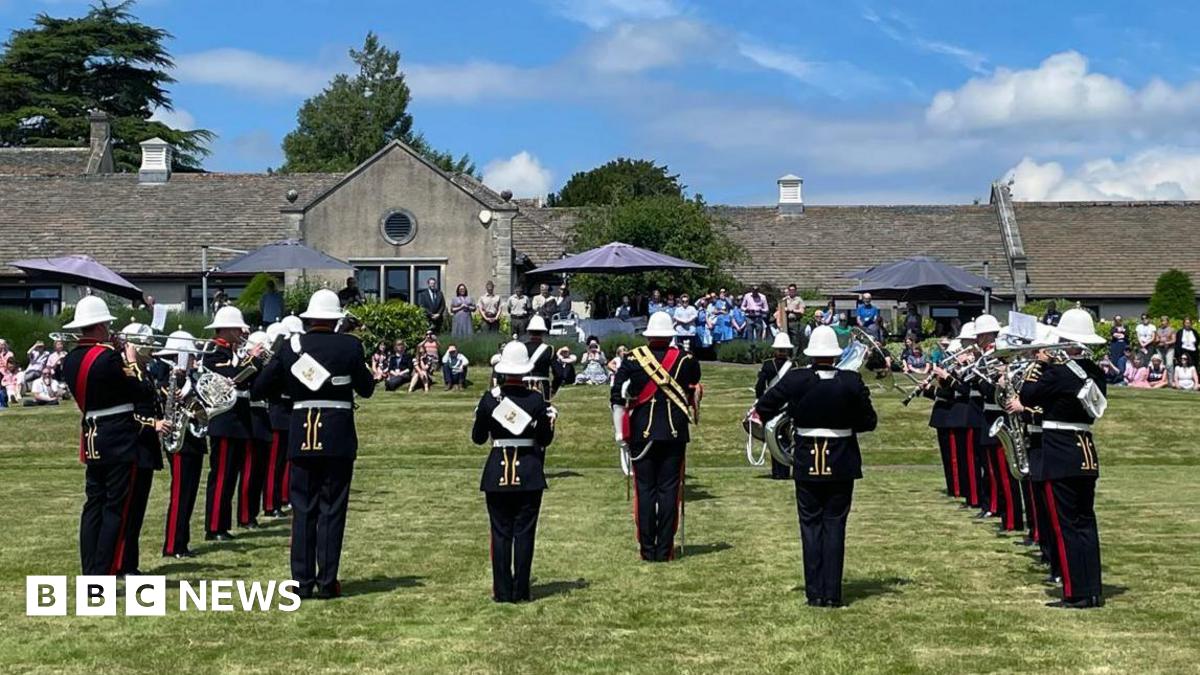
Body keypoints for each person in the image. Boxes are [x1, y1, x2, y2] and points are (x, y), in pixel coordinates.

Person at [252, 289, 374, 599]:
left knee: (302, 509)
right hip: (337, 435)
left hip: (301, 431)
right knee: (332, 509)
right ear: (336, 321)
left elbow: (261, 388)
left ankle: (301, 582)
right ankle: (327, 581)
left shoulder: (290, 346)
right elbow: (367, 388)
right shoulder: (350, 346)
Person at [755, 325, 877, 607]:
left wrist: (794, 412)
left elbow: (764, 407)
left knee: (809, 526)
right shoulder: (851, 381)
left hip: (807, 458)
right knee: (835, 525)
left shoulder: (797, 379)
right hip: (841, 459)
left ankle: (815, 593)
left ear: (811, 354)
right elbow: (868, 422)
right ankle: (832, 593)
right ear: (835, 355)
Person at [1008, 308, 1107, 608]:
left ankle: (1074, 591)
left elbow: (1026, 395)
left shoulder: (1058, 372)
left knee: (1065, 526)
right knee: (1085, 524)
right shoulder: (1096, 371)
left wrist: (1040, 364)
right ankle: (1092, 589)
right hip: (1085, 451)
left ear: (1068, 342)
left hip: (1059, 451)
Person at [60, 296, 161, 575]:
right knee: (116, 509)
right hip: (118, 436)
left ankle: (90, 569)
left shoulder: (71, 359)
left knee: (93, 505)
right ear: (102, 325)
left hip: (92, 435)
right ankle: (102, 572)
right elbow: (142, 391)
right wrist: (130, 360)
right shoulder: (108, 359)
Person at [610, 312, 702, 562]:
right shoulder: (687, 359)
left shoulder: (632, 359)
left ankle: (647, 549)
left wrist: (619, 429)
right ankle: (665, 549)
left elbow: (617, 395)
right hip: (674, 432)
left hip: (642, 432)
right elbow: (694, 389)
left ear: (648, 335)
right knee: (670, 491)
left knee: (646, 491)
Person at [471, 341, 556, 603]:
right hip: (529, 471)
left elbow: (478, 438)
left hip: (497, 471)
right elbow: (544, 439)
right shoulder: (535, 400)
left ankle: (503, 591)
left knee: (500, 533)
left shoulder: (490, 399)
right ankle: (521, 590)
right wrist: (550, 422)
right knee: (525, 533)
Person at [202, 306, 260, 542]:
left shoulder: (233, 351)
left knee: (232, 474)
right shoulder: (215, 350)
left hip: (239, 418)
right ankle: (214, 526)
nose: (241, 332)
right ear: (225, 329)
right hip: (225, 419)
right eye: (237, 328)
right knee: (222, 475)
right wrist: (251, 359)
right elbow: (233, 378)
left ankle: (223, 524)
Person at [115, 322, 168, 575]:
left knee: (137, 511)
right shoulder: (128, 370)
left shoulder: (145, 370)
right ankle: (123, 563)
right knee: (129, 509)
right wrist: (153, 424)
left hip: (146, 446)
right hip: (134, 445)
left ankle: (130, 562)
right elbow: (130, 413)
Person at [152, 330, 208, 558]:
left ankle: (182, 541)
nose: (194, 360)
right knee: (180, 494)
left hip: (194, 438)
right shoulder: (169, 379)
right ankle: (173, 544)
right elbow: (174, 401)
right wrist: (183, 380)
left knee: (190, 493)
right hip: (179, 441)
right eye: (190, 356)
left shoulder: (194, 377)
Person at [972, 314, 1023, 532]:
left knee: (1004, 472)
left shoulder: (1003, 358)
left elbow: (1002, 390)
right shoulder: (984, 358)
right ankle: (997, 509)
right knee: (993, 471)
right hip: (989, 416)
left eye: (980, 336)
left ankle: (1011, 518)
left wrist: (998, 379)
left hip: (1001, 414)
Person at [756, 332, 796, 480]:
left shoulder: (768, 364)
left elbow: (760, 386)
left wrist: (760, 400)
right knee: (786, 438)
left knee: (772, 437)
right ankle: (784, 470)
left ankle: (777, 472)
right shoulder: (794, 365)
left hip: (772, 406)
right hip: (788, 406)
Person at [523, 316, 554, 400]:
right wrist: (553, 389)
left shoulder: (522, 347)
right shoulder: (549, 349)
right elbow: (558, 373)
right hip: (543, 388)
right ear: (543, 333)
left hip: (524, 386)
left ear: (529, 332)